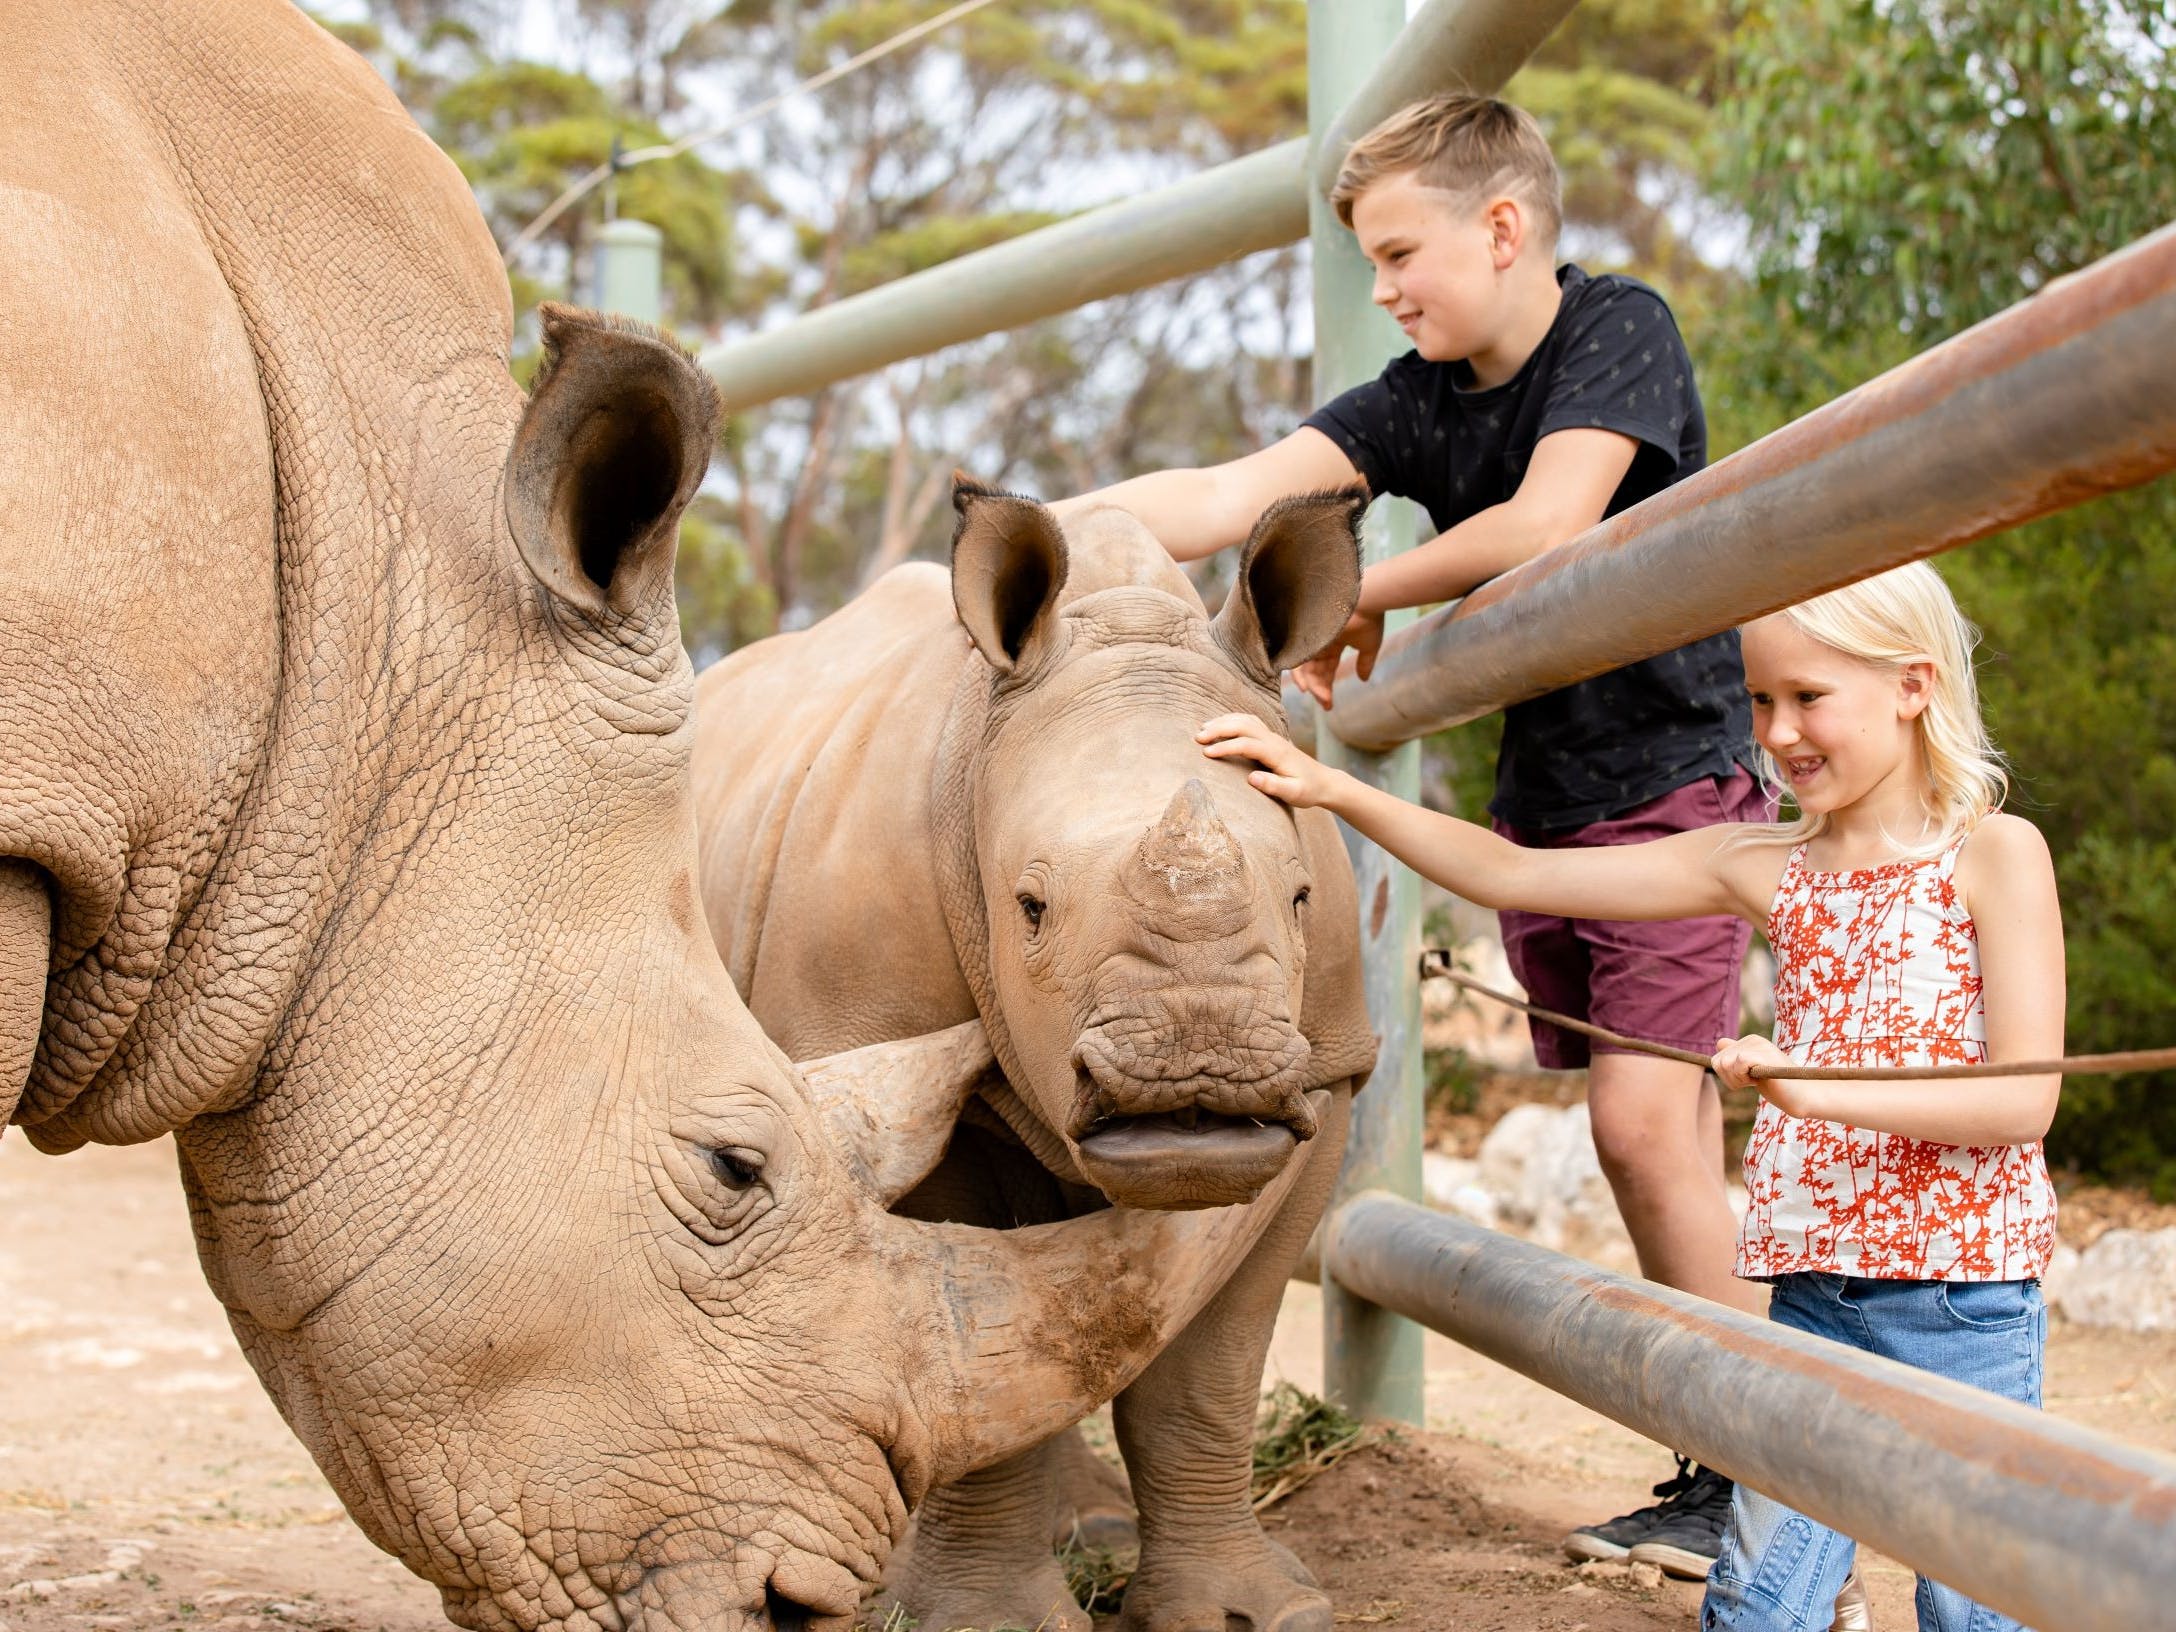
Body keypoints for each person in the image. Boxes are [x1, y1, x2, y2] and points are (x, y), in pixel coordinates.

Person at [1053, 91, 1774, 1563]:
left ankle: (1778, 1482)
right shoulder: (1411, 400)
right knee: (1658, 1147)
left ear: (1503, 227)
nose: (1383, 290)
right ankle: (1731, 1465)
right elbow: (1232, 491)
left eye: (1399, 255)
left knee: (1647, 1131)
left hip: (1677, 789)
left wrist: (1358, 593)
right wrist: (1052, 526)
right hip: (1545, 807)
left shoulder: (1614, 330)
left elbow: (1549, 523)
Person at [1199, 561, 2063, 1632]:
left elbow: (2020, 1107)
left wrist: (1813, 1089)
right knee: (1756, 1607)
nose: (1780, 731)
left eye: (1808, 697)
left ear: (1913, 685)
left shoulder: (1992, 857)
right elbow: (1514, 875)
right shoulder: (1760, 862)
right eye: (1759, 700)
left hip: (1960, 1299)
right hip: (1809, 1300)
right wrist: (1332, 787)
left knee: (1976, 1606)